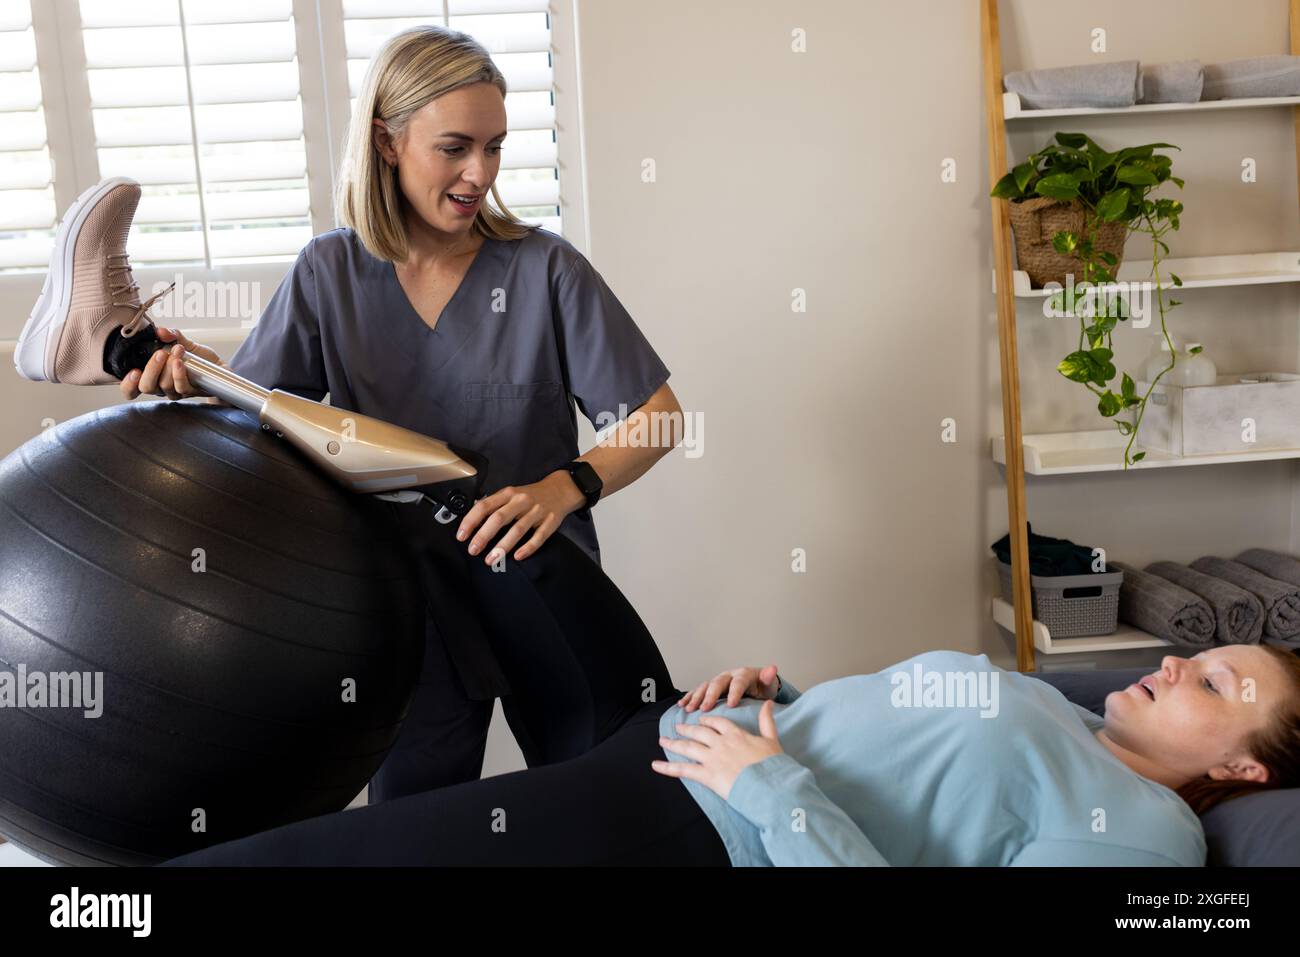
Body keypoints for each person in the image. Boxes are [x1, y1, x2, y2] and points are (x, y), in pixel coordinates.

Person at [112, 25, 683, 802]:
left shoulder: (546, 268)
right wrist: (183, 371)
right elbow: (248, 419)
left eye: (494, 146)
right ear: (386, 140)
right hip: (404, 609)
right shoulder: (329, 274)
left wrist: (566, 484)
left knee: (599, 800)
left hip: (540, 586)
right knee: (414, 830)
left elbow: (657, 416)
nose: (478, 172)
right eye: (455, 147)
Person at [156, 542, 1300, 866]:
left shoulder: (1143, 832)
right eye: (1203, 656)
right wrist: (778, 700)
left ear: (1245, 771)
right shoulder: (1068, 707)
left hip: (699, 829)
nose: (1179, 665)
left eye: (1219, 685)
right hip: (671, 755)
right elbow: (905, 740)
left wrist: (775, 786)